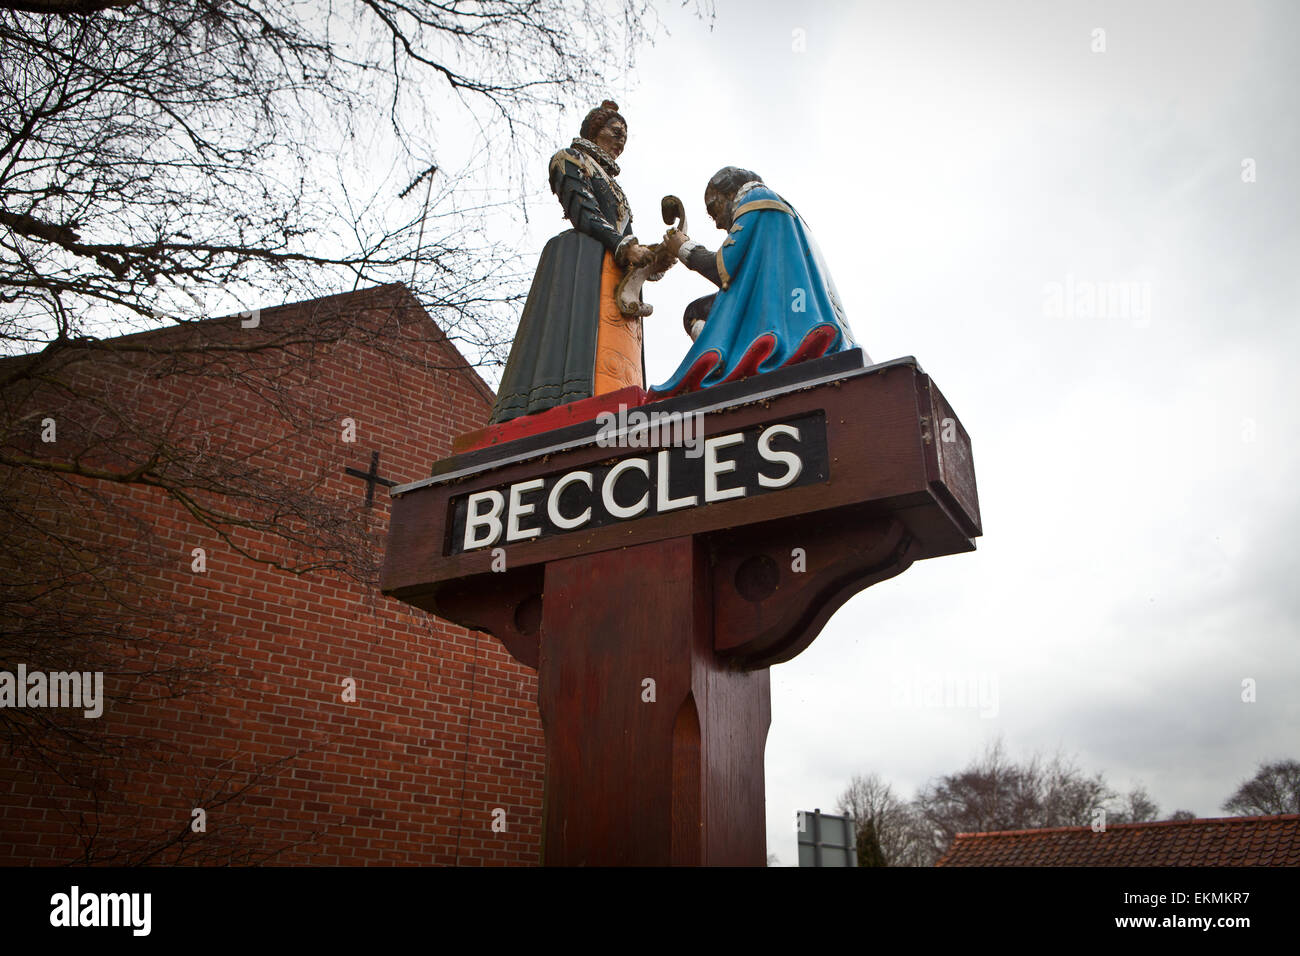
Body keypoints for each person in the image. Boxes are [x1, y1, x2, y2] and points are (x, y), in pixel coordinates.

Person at [489, 100, 656, 424]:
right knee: (578, 341)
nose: (621, 139)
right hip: (584, 264)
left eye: (625, 135)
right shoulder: (570, 159)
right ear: (595, 130)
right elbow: (584, 212)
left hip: (614, 270)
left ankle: (619, 403)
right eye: (615, 130)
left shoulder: (615, 186)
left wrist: (646, 258)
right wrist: (624, 246)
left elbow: (625, 230)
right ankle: (568, 396)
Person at [650, 167, 859, 399]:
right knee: (700, 313)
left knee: (695, 313)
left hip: (780, 316)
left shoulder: (755, 199)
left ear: (729, 194)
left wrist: (683, 247)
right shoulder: (778, 209)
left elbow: (724, 268)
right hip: (787, 305)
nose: (718, 223)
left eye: (714, 208)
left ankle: (722, 366)